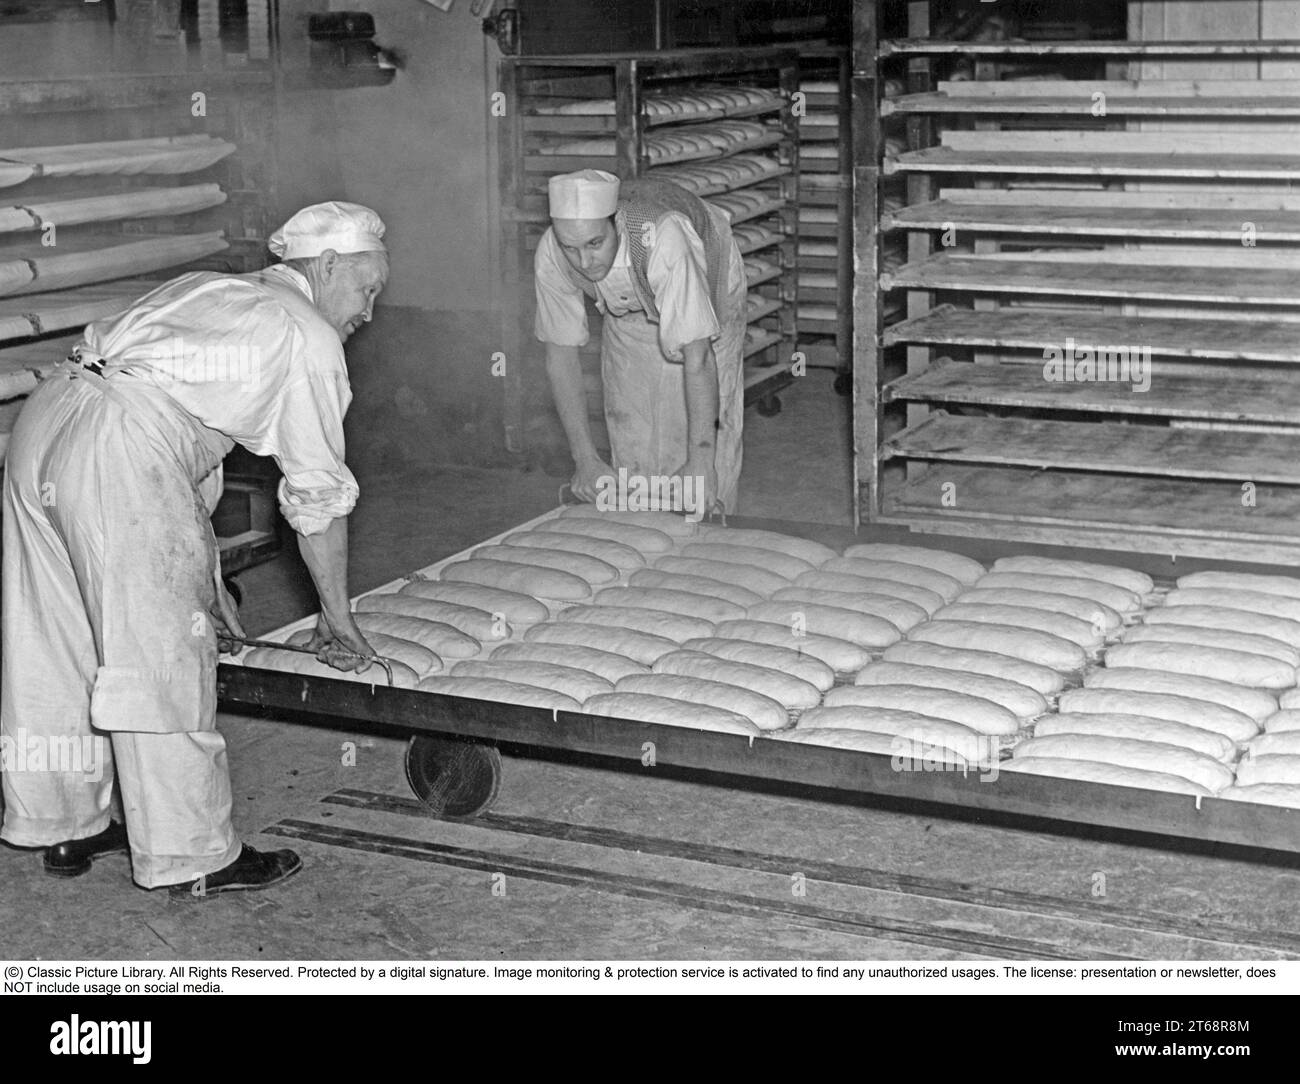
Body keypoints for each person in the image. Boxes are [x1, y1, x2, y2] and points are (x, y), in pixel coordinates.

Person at [0, 200, 388, 898]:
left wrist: (200, 577)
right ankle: (190, 855)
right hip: (122, 446)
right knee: (162, 658)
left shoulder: (218, 289)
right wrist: (336, 614)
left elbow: (185, 452)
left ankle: (60, 820)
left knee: (50, 636)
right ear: (328, 267)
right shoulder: (306, 338)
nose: (369, 311)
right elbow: (318, 495)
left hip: (48, 419)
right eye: (367, 289)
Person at [533, 169, 747, 516]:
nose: (584, 262)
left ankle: (709, 533)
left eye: (594, 244)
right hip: (629, 306)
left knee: (702, 467)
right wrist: (585, 459)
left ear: (615, 223)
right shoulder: (552, 253)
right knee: (633, 430)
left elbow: (698, 358)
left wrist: (700, 460)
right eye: (571, 248)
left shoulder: (663, 238)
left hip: (706, 280)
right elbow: (560, 358)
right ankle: (644, 528)